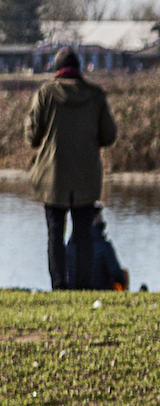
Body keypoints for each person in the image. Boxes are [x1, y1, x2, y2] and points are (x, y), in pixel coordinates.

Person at [24, 46, 117, 291]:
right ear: (79, 69)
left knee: (55, 234)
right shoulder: (95, 95)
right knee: (84, 234)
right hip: (86, 177)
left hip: (52, 176)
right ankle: (84, 287)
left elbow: (33, 136)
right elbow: (109, 135)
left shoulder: (46, 93)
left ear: (56, 70)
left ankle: (59, 285)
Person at [87, 206, 128, 291]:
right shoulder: (104, 246)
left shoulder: (71, 244)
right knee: (125, 273)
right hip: (101, 289)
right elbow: (117, 275)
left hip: (75, 287)